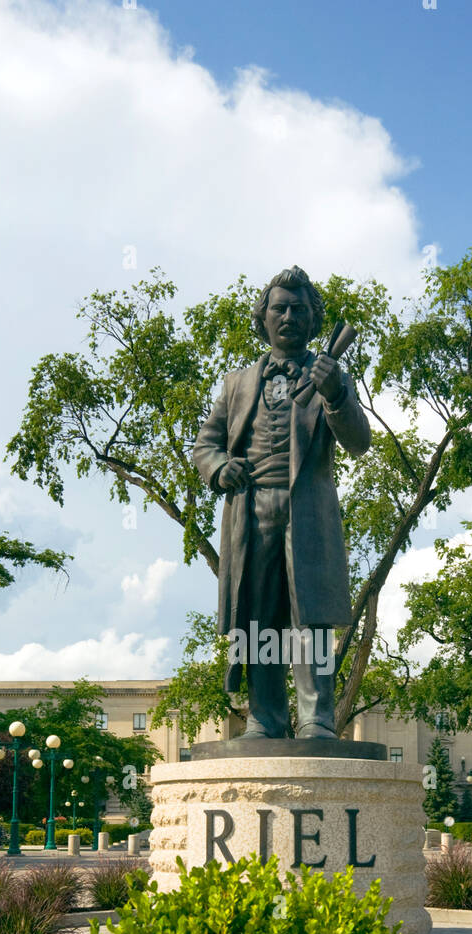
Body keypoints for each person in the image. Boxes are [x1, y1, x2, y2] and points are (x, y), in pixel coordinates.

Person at [193, 266, 371, 739]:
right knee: (259, 617)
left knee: (310, 620)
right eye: (280, 308)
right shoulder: (236, 384)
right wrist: (219, 467)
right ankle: (265, 718)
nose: (288, 316)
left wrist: (335, 392)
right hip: (250, 512)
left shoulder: (329, 375)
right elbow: (205, 444)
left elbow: (358, 441)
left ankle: (316, 718)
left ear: (313, 319)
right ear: (264, 317)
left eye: (298, 309)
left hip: (307, 512)